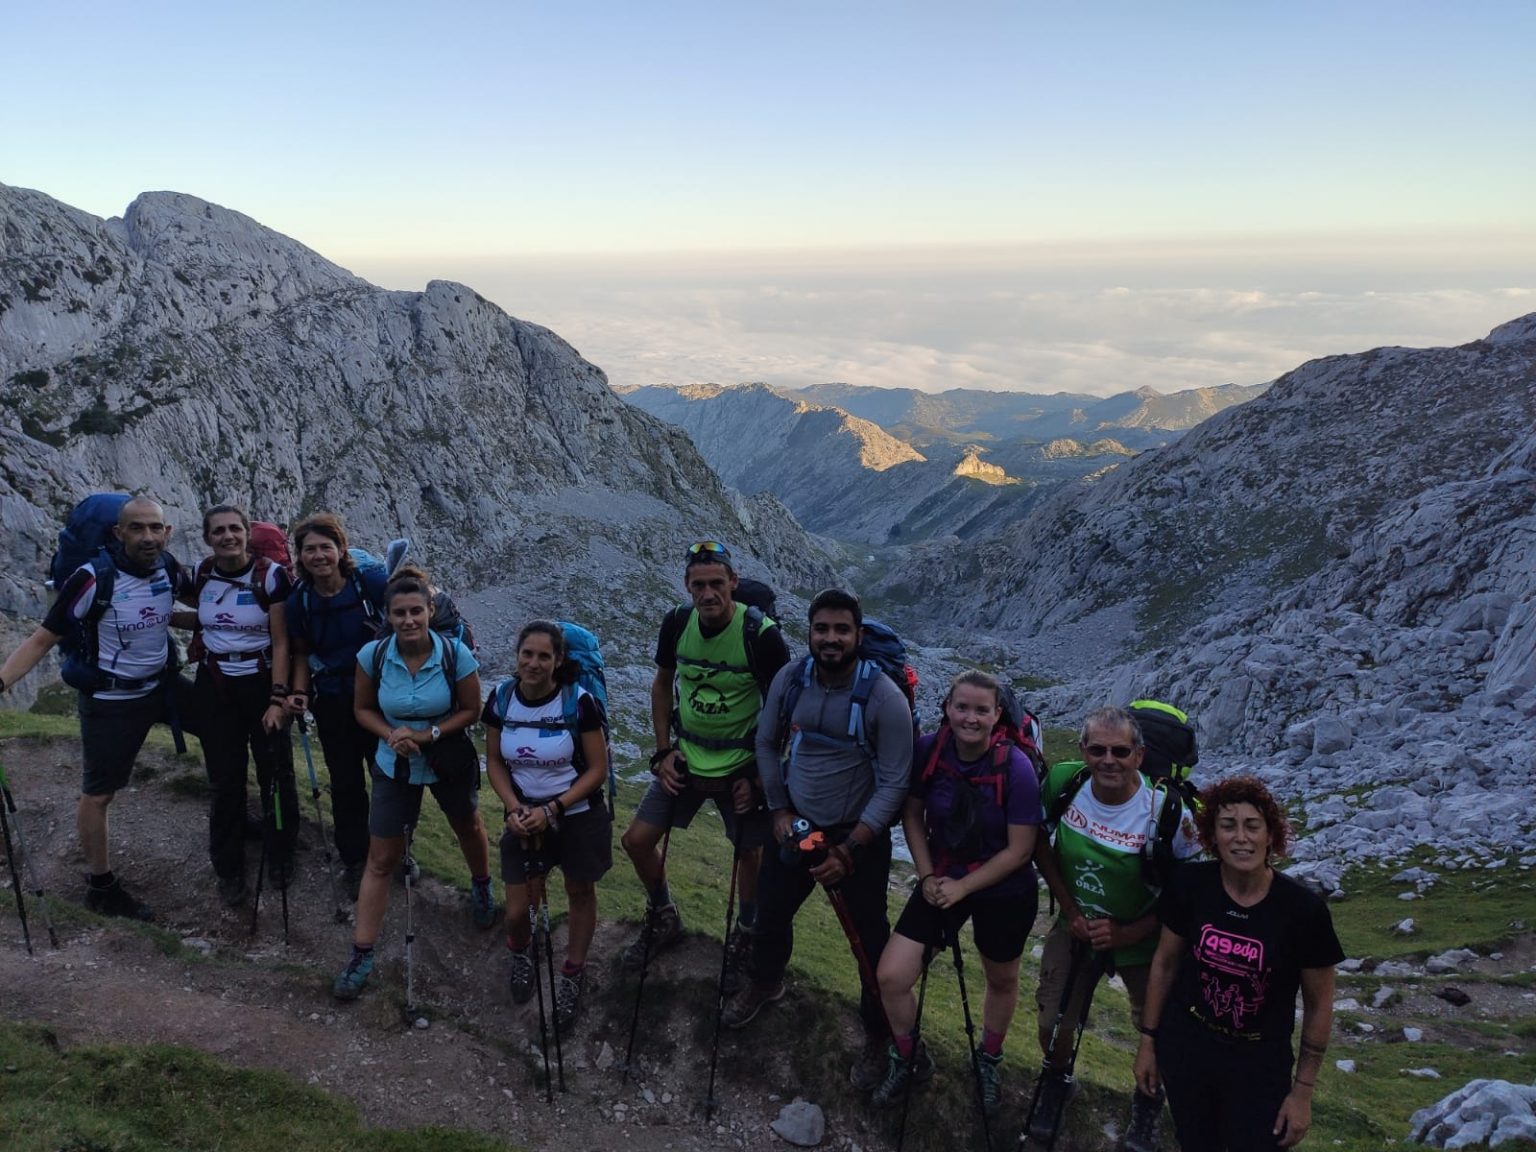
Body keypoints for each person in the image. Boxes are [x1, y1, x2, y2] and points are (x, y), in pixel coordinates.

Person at [725, 588, 912, 1094]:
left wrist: (852, 848)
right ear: (809, 632)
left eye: (841, 630)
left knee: (869, 942)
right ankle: (766, 982)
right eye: (822, 629)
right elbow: (767, 741)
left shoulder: (884, 698)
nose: (831, 639)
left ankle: (877, 1036)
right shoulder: (792, 679)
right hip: (796, 825)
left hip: (857, 836)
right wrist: (780, 811)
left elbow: (896, 780)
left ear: (857, 634)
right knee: (769, 913)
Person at [0, 495, 194, 921]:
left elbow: (165, 610)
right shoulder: (91, 578)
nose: (147, 536)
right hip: (111, 700)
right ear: (117, 533)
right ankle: (101, 886)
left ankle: (235, 822)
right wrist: (2, 682)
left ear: (167, 532)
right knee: (99, 793)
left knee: (225, 724)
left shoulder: (169, 568)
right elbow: (42, 638)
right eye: (137, 528)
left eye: (155, 528)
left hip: (162, 685)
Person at [1134, 776, 1342, 1151]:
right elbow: (1164, 963)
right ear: (1212, 835)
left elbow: (1319, 1003)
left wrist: (1303, 1093)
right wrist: (1148, 1043)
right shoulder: (1190, 884)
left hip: (1259, 1060)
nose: (1240, 838)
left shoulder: (1303, 911)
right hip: (1189, 1045)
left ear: (1270, 835)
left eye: (1252, 826)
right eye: (1228, 826)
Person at [1029, 705, 1201, 1150]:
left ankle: (1146, 1110)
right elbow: (1036, 842)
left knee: (1155, 1031)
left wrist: (1129, 933)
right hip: (1077, 927)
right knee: (1052, 1022)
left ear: (1139, 755)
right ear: (1083, 750)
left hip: (1146, 940)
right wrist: (1070, 910)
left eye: (1120, 751)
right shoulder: (1066, 783)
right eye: (1098, 749)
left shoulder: (1167, 812)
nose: (1109, 760)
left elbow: (1189, 893)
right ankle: (1057, 1082)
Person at [619, 541, 790, 988]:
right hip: (688, 762)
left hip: (740, 768)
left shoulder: (763, 636)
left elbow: (784, 712)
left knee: (748, 852)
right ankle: (663, 915)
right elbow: (662, 685)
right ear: (687, 587)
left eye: (717, 583)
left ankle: (747, 932)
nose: (708, 593)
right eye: (699, 585)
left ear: (734, 582)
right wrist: (662, 752)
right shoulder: (677, 623)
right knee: (636, 841)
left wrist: (756, 775)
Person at [873, 670, 1042, 1113]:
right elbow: (912, 815)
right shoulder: (930, 749)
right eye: (961, 707)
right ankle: (909, 1058)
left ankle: (988, 1058)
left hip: (1002, 888)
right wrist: (928, 878)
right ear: (947, 708)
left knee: (1001, 978)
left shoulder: (1017, 767)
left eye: (981, 710)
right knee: (891, 977)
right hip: (942, 878)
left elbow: (1021, 850)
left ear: (996, 715)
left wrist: (962, 887)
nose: (970, 717)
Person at [331, 567, 495, 1000]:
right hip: (393, 760)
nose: (408, 621)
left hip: (444, 756)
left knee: (467, 823)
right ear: (388, 615)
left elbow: (471, 709)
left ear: (429, 611)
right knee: (381, 857)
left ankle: (482, 885)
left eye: (416, 612)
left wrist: (426, 735)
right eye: (400, 613)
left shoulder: (455, 654)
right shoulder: (373, 655)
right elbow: (362, 708)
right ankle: (361, 951)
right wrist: (391, 736)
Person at [484, 620, 612, 1027]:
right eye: (527, 654)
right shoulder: (502, 699)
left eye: (544, 656)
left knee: (579, 889)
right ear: (517, 655)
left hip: (576, 813)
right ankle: (521, 952)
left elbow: (597, 770)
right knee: (518, 911)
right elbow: (495, 761)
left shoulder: (579, 702)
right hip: (524, 815)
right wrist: (513, 808)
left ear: (559, 661)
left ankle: (572, 973)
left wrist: (552, 809)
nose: (534, 663)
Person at [184, 505, 299, 906]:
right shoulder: (201, 573)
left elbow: (282, 640)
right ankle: (228, 866)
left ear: (247, 533)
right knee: (223, 777)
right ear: (207, 537)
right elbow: (199, 614)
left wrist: (278, 699)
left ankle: (282, 851)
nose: (227, 536)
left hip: (262, 679)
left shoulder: (271, 576)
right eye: (219, 531)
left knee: (275, 770)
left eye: (235, 528)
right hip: (214, 684)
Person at [283, 513, 386, 899]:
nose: (319, 555)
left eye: (326, 547)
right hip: (332, 700)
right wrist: (299, 691)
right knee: (345, 783)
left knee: (387, 778)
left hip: (378, 698)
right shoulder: (300, 601)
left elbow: (410, 614)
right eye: (310, 549)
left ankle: (394, 851)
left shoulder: (369, 583)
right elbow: (300, 653)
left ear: (341, 549)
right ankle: (355, 859)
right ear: (300, 556)